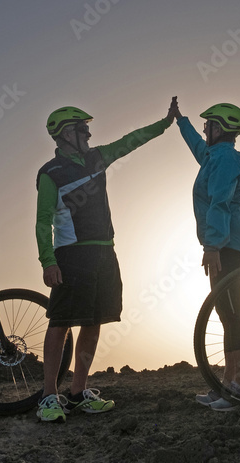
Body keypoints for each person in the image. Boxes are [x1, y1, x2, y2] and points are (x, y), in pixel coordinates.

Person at [35, 103, 176, 422]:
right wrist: (48, 260)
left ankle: (77, 392)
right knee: (60, 323)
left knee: (95, 320)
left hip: (105, 252)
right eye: (82, 128)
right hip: (71, 255)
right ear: (65, 134)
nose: (88, 132)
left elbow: (131, 140)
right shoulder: (50, 173)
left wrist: (164, 123)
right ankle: (48, 396)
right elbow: (43, 221)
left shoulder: (97, 157)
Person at [173, 100, 240, 411]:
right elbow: (197, 145)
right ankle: (228, 386)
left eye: (208, 124)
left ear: (220, 128)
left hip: (229, 244)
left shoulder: (226, 159)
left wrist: (213, 246)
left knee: (235, 313)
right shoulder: (213, 155)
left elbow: (220, 201)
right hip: (223, 243)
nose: (205, 128)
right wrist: (180, 121)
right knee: (226, 314)